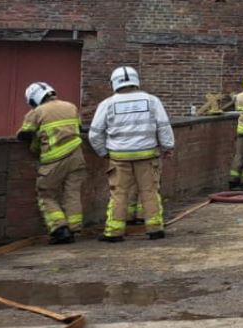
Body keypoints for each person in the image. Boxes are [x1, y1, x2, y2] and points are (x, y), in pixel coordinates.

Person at [88, 67, 175, 242]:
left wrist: (103, 152)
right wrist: (167, 147)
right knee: (150, 192)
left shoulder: (107, 104)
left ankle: (114, 232)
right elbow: (163, 126)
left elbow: (94, 134)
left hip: (119, 157)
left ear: (114, 83)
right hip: (147, 155)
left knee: (118, 194)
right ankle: (155, 229)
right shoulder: (152, 101)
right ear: (136, 81)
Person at [15, 82, 88, 244]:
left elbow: (24, 134)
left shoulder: (37, 112)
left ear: (34, 100)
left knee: (46, 193)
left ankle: (60, 229)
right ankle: (74, 227)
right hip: (77, 157)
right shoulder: (70, 106)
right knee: (72, 192)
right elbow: (79, 127)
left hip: (54, 160)